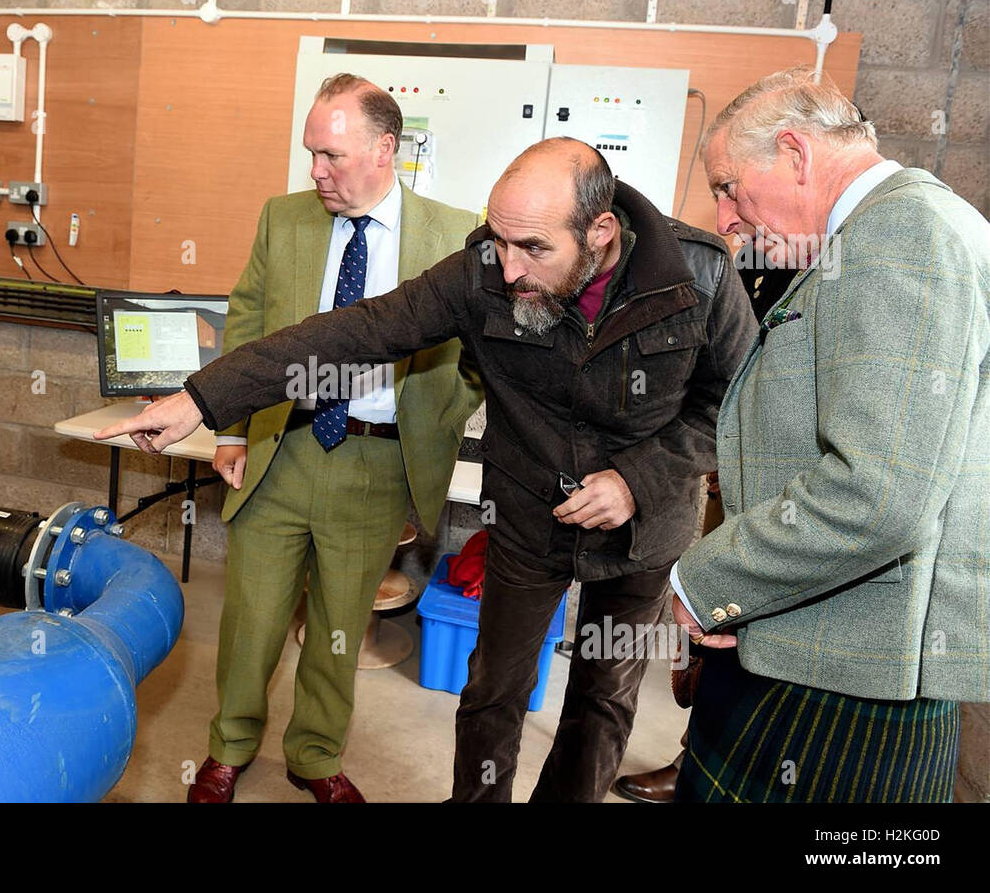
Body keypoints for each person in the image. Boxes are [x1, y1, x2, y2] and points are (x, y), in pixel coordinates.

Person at [97, 136, 758, 802]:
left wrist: (636, 479)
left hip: (644, 532)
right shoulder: (480, 271)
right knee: (493, 691)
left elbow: (736, 404)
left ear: (601, 231)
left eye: (533, 248)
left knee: (602, 697)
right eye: (499, 241)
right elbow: (354, 333)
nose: (507, 269)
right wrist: (200, 399)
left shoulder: (697, 277)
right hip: (529, 519)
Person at [671, 67, 990, 802]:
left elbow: (876, 494)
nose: (723, 218)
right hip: (831, 643)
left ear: (794, 152)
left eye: (726, 186)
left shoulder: (902, 233)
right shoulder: (899, 228)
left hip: (842, 671)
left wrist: (704, 579)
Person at [181, 73, 482, 803]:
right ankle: (229, 746)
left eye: (333, 155)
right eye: (311, 152)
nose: (316, 171)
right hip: (281, 448)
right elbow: (246, 321)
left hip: (379, 464)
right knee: (251, 616)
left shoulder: (453, 232)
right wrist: (228, 429)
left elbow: (480, 352)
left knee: (341, 625)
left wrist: (443, 416)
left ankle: (314, 756)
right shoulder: (285, 220)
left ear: (386, 148)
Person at [614, 249, 800, 804]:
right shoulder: (746, 261)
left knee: (770, 643)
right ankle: (695, 759)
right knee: (713, 634)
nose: (725, 219)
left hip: (801, 489)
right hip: (734, 471)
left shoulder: (838, 260)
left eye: (731, 191)